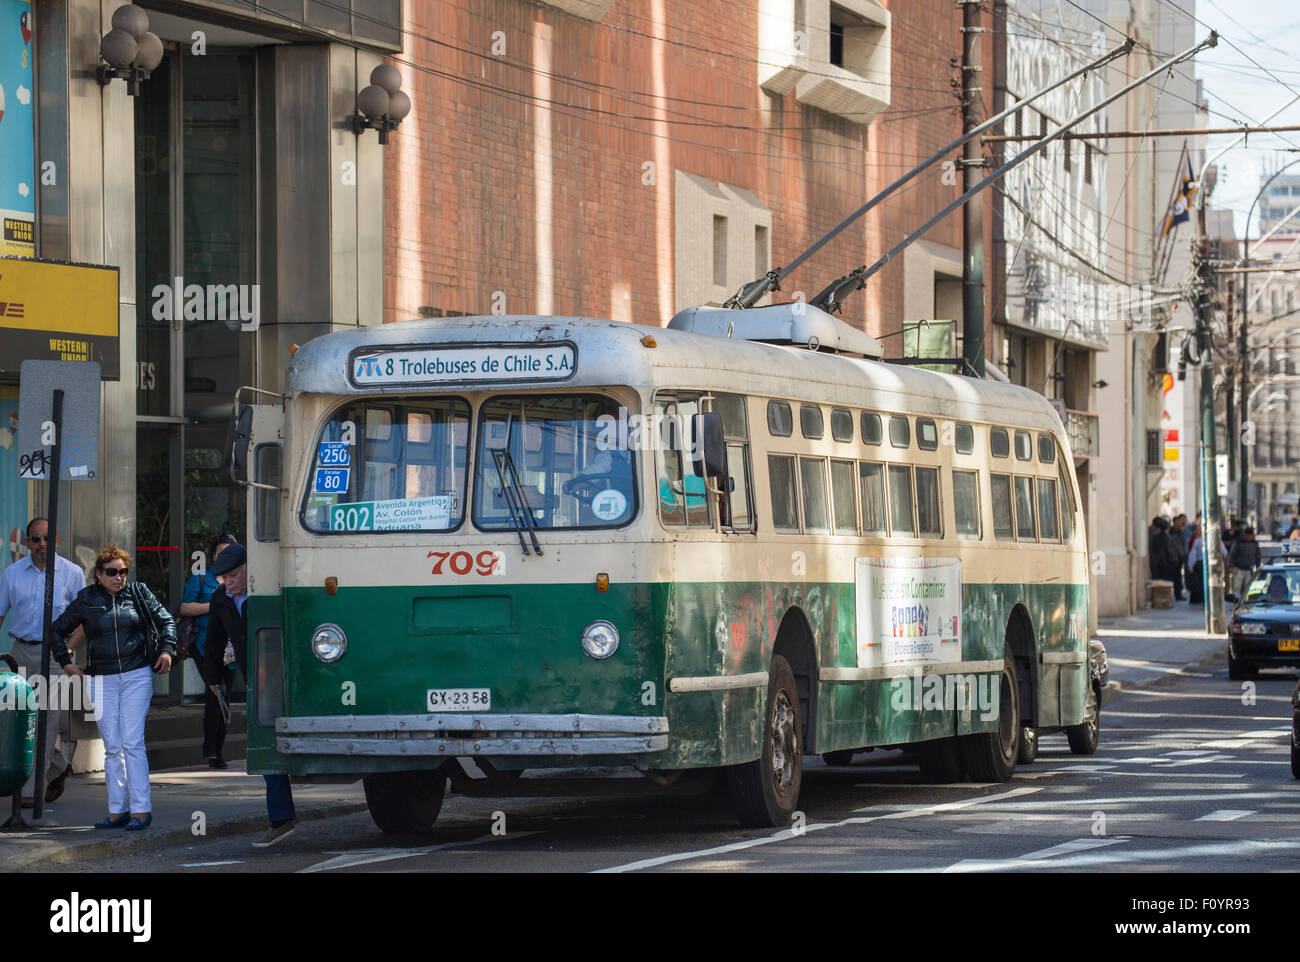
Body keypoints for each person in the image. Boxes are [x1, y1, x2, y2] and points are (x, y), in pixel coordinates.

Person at [51, 544, 176, 831]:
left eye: (123, 571)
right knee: (112, 746)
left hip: (136, 675)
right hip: (100, 679)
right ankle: (117, 810)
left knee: (132, 742)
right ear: (98, 574)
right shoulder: (86, 599)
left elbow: (166, 620)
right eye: (112, 572)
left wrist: (167, 651)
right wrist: (66, 663)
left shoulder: (139, 593)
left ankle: (142, 810)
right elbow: (56, 631)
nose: (119, 577)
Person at [203, 543, 296, 847]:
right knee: (265, 740)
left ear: (248, 569)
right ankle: (281, 819)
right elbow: (215, 641)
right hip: (257, 679)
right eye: (223, 578)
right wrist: (213, 679)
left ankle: (282, 817)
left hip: (288, 673)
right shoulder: (221, 599)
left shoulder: (266, 590)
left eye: (233, 576)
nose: (228, 583)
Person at [0, 518, 85, 805]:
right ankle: (58, 766)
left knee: (46, 720)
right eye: (35, 540)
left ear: (56, 540)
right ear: (26, 543)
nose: (41, 545)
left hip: (54, 654)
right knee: (18, 718)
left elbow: (84, 619)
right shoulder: (12, 574)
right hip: (20, 652)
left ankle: (30, 792)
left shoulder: (72, 574)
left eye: (47, 539)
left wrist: (66, 650)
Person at [180, 533, 239, 768]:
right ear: (213, 555)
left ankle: (217, 747)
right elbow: (184, 607)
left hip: (232, 648)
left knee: (225, 695)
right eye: (220, 552)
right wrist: (213, 605)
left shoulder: (241, 579)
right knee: (215, 692)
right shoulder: (202, 578)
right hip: (205, 645)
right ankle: (212, 749)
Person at [1227, 525, 1261, 598]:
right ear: (1246, 535)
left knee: (1248, 589)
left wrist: (1257, 567)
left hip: (1249, 570)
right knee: (1237, 588)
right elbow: (1232, 554)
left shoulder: (1254, 543)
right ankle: (1236, 604)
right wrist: (1231, 566)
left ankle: (1246, 604)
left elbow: (1258, 556)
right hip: (1239, 569)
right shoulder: (1238, 542)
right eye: (1250, 535)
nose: (1251, 537)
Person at [1170, 514, 1189, 600]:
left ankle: (1178, 594)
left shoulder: (1181, 532)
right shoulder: (1171, 532)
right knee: (1173, 577)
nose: (1178, 523)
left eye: (1179, 521)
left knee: (1178, 578)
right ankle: (1174, 594)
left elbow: (1183, 544)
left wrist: (1183, 554)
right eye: (1177, 522)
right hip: (1172, 558)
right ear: (1174, 523)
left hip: (1180, 557)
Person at [1186, 524, 1204, 605]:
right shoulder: (1197, 541)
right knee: (1199, 582)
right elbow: (1193, 554)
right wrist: (1190, 565)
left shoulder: (1198, 541)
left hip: (1201, 563)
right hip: (1200, 564)